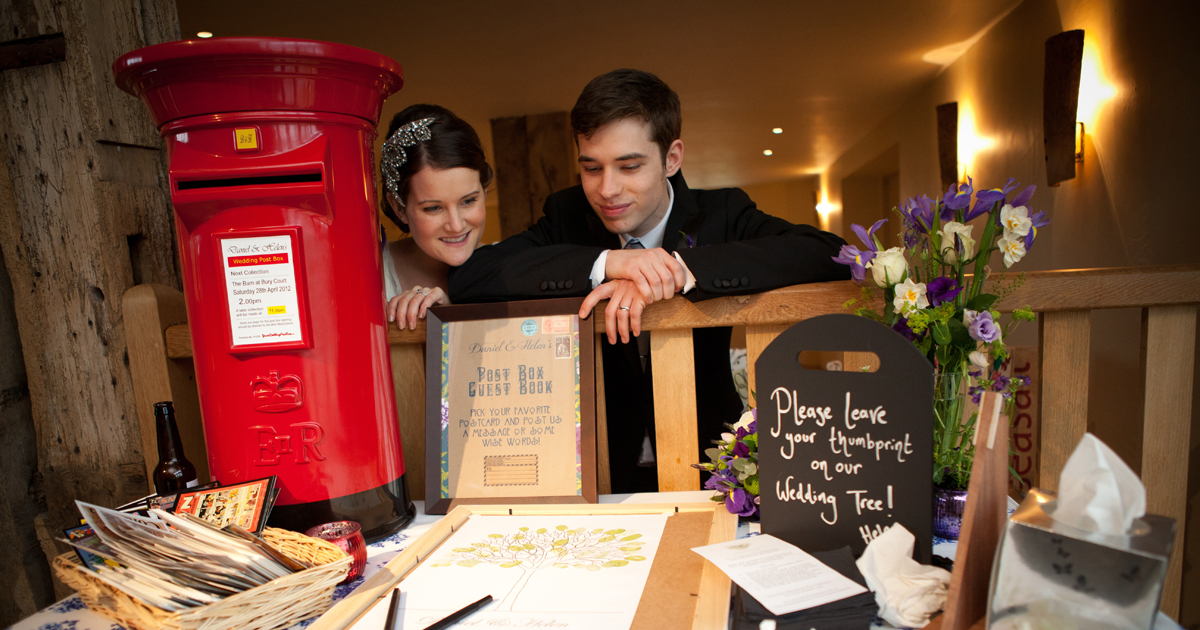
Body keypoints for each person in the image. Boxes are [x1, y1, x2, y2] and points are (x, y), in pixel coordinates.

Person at [449, 69, 850, 493]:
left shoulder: (723, 212)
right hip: (599, 464)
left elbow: (829, 252)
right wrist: (609, 263)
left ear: (671, 158)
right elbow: (473, 275)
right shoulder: (567, 214)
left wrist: (675, 269)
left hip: (710, 455)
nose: (607, 189)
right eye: (591, 168)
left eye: (629, 166)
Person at [379, 104, 493, 329]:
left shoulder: (513, 267)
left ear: (484, 192)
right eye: (433, 208)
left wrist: (450, 316)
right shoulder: (368, 275)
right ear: (399, 207)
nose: (456, 225)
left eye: (468, 201)